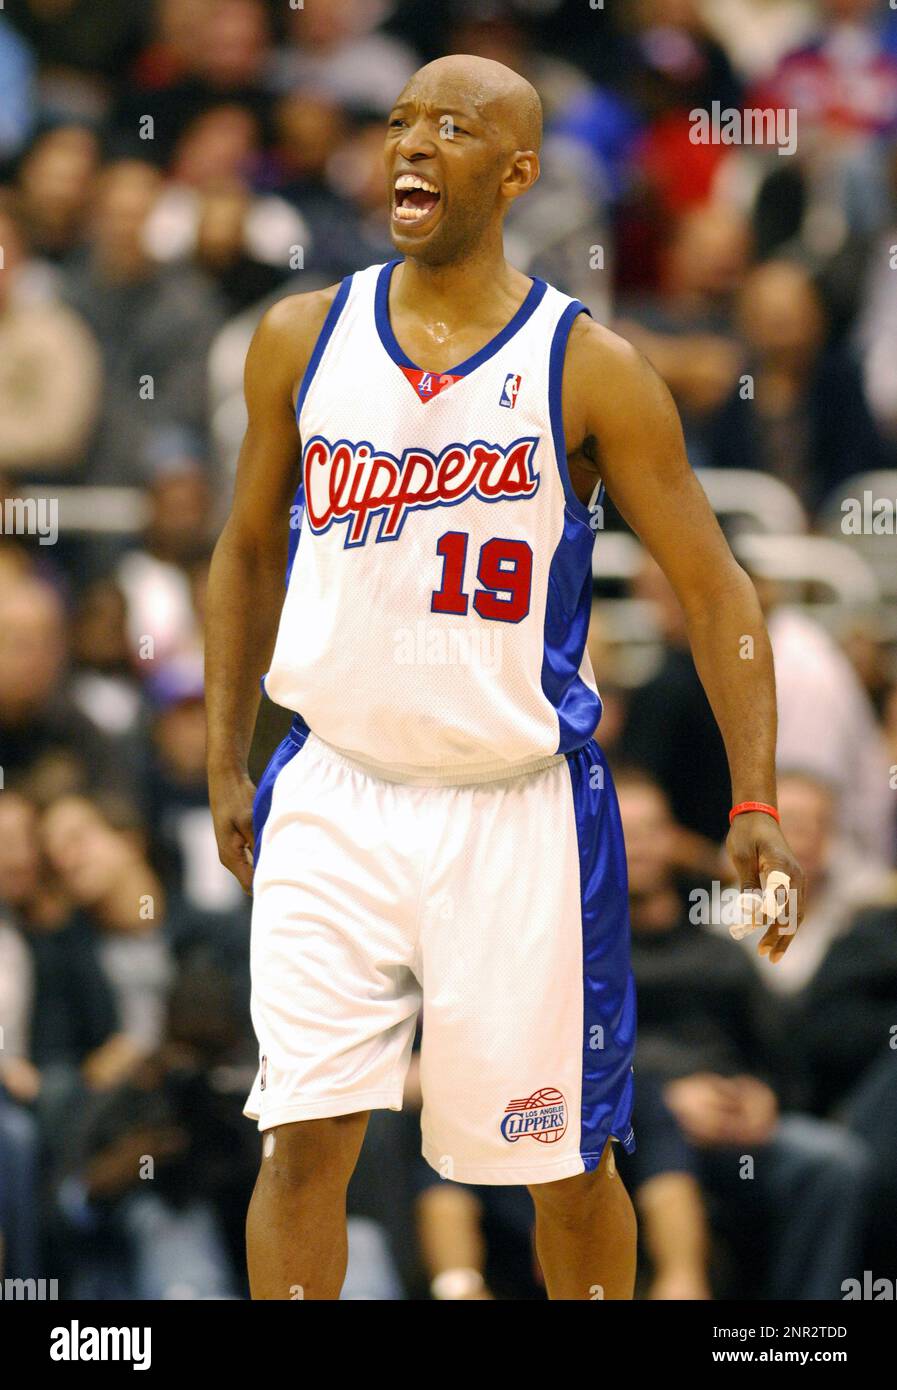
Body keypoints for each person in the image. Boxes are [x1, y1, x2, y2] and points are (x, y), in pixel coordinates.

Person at [204, 54, 804, 1301]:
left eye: (455, 129)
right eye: (401, 122)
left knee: (565, 1164)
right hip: (335, 788)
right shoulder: (299, 336)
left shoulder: (588, 366)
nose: (414, 145)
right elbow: (247, 549)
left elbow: (717, 589)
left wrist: (755, 800)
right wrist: (225, 754)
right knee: (303, 1138)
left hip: (515, 807)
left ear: (518, 172)